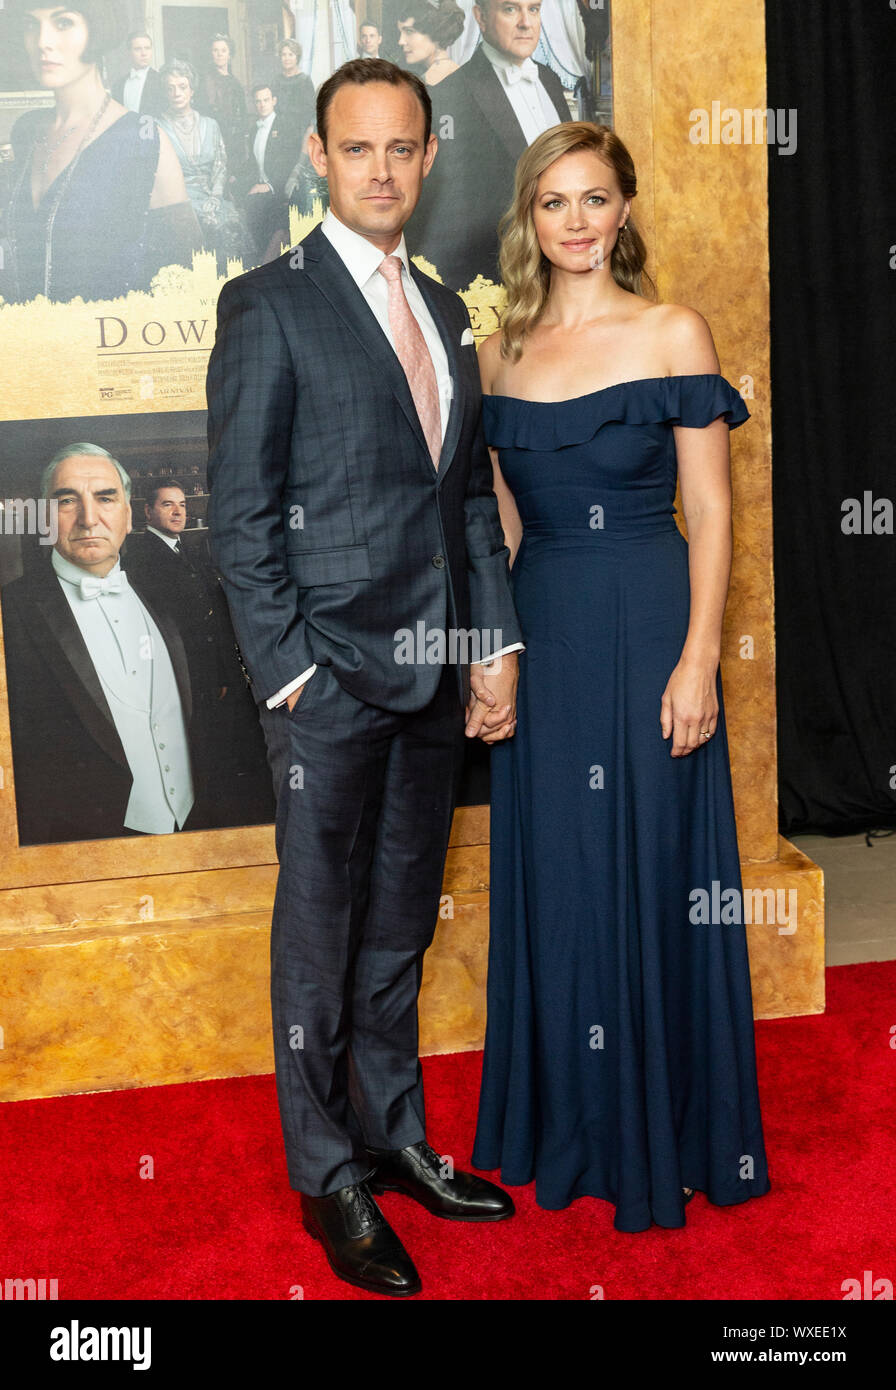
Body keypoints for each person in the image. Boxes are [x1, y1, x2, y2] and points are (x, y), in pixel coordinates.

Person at [206, 57, 524, 1298]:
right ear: (319, 159)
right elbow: (240, 516)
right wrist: (290, 676)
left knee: (397, 928)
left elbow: (462, 508)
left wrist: (489, 643)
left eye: (402, 149)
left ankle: (394, 1136)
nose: (381, 170)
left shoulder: (446, 308)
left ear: (430, 156)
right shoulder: (265, 304)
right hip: (326, 688)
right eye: (357, 150)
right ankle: (327, 1172)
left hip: (436, 679)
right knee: (318, 938)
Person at [471, 123, 772, 1231]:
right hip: (544, 636)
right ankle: (574, 1122)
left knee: (649, 871)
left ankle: (674, 1127)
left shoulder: (671, 332)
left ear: (625, 208)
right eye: (554, 203)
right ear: (529, 219)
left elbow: (708, 511)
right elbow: (497, 521)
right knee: (559, 880)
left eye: (595, 198)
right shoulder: (496, 352)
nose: (577, 222)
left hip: (650, 629)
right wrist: (489, 654)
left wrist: (698, 657)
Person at [0, 446, 195, 845]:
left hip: (195, 822)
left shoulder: (165, 590)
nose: (90, 518)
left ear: (127, 514)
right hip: (84, 842)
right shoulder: (11, 611)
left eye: (106, 498)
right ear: (45, 517)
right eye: (67, 500)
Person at [2, 1, 198, 303]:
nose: (43, 42)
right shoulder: (27, 130)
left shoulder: (143, 139)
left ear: (96, 30)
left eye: (63, 22)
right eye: (31, 24)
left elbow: (183, 276)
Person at [124, 482, 275, 830]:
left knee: (219, 750)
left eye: (181, 504)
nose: (178, 511)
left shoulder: (187, 549)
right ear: (148, 512)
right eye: (167, 505)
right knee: (197, 753)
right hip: (184, 673)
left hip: (212, 671)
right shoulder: (141, 557)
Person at [410, 0, 571, 288]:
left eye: (533, 9)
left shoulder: (550, 81)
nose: (526, 22)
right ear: (480, 17)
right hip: (496, 282)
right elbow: (446, 219)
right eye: (510, 9)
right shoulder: (447, 95)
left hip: (564, 276)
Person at [158, 60, 246, 269]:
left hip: (211, 195)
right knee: (201, 224)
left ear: (192, 91)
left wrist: (216, 198)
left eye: (182, 87)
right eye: (170, 88)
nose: (176, 93)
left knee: (230, 220)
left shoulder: (210, 124)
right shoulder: (158, 126)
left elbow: (220, 165)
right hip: (178, 199)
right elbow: (159, 173)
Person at [234, 84, 299, 259]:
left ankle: (264, 259)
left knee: (258, 208)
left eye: (266, 100)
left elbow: (289, 162)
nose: (262, 105)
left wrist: (269, 186)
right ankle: (253, 257)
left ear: (274, 101)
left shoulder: (285, 126)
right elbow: (252, 162)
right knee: (241, 200)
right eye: (258, 101)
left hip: (280, 187)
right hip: (260, 185)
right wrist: (234, 176)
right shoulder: (255, 128)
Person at [200, 33, 248, 172]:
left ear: (230, 55)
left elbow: (242, 113)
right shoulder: (206, 80)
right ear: (211, 54)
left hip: (234, 138)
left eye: (223, 50)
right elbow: (206, 110)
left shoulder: (235, 82)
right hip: (214, 135)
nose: (219, 54)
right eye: (215, 50)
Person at [396, 2, 465, 85]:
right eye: (400, 32)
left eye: (409, 31)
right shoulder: (429, 75)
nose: (401, 41)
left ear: (435, 31)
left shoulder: (441, 79)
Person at [112, 29, 164, 117]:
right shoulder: (119, 85)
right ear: (129, 52)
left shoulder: (161, 81)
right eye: (137, 49)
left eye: (147, 48)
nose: (144, 53)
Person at [271, 38, 315, 136]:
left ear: (297, 57)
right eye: (283, 55)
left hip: (299, 132)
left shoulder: (304, 80)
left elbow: (310, 112)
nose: (287, 58)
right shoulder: (276, 80)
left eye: (291, 54)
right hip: (280, 131)